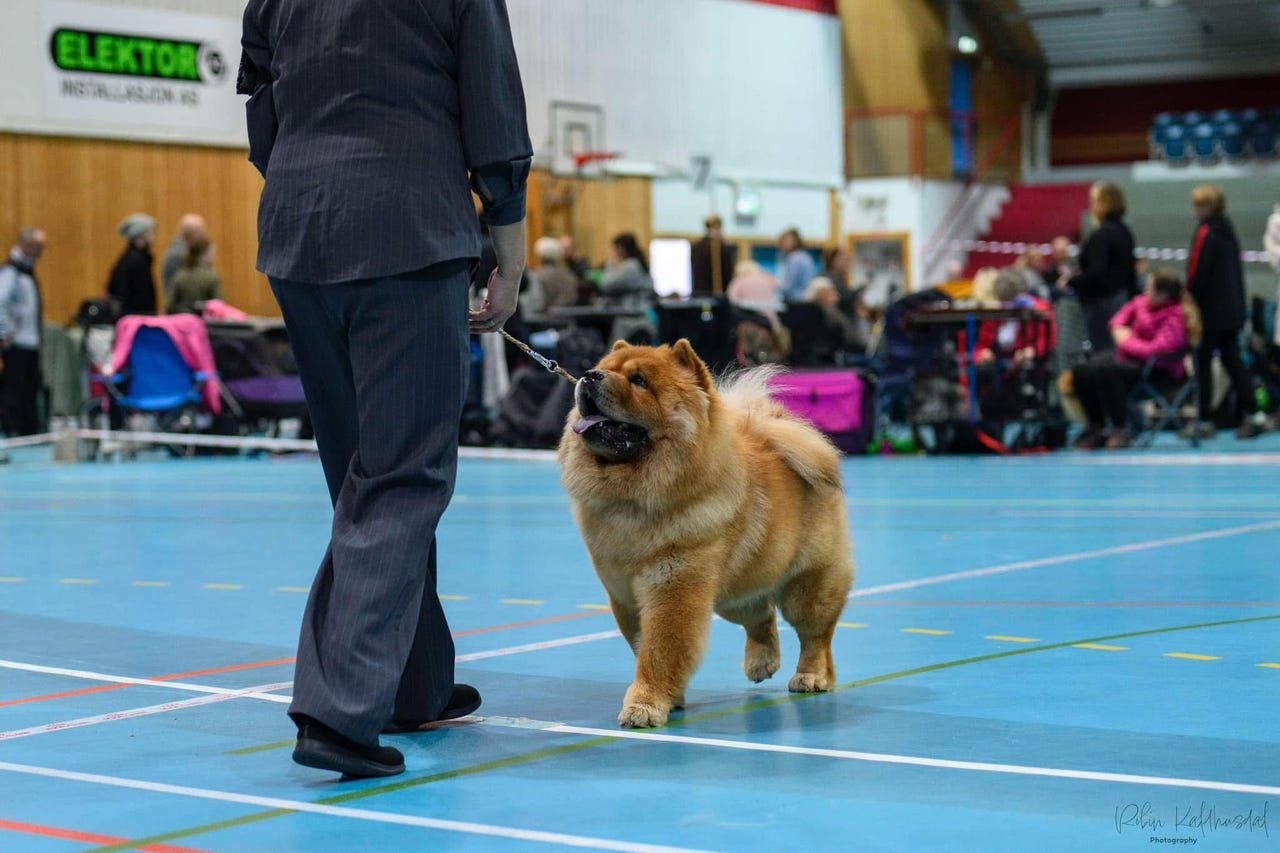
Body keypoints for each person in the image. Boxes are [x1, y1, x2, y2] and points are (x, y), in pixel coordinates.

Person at [239, 0, 532, 779]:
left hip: (298, 228)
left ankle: (413, 680)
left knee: (362, 472)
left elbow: (259, 100)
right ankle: (339, 709)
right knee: (403, 475)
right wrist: (509, 234)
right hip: (408, 222)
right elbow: (494, 106)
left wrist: (312, 175)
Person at [1180, 185, 1266, 439]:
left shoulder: (1206, 232)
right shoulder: (1227, 230)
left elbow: (1196, 273)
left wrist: (1189, 300)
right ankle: (1254, 413)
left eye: (1198, 205)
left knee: (1203, 365)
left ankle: (1204, 419)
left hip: (1209, 313)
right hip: (1231, 311)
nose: (1194, 210)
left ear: (1208, 206)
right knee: (1233, 362)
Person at [1072, 270, 1192, 450]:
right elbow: (1116, 322)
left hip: (1158, 370)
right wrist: (1125, 337)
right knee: (1083, 370)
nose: (1146, 291)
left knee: (1109, 370)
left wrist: (1127, 341)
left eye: (1150, 288)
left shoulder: (1176, 315)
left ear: (1163, 295)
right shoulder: (1140, 303)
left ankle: (1120, 429)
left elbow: (1158, 348)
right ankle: (1096, 425)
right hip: (1131, 360)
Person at [1067, 181, 1136, 351]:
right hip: (1121, 296)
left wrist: (1073, 281)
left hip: (1104, 301)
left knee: (1105, 351)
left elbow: (1098, 271)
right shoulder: (1123, 230)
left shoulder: (1103, 234)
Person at [0, 228, 47, 436]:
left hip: (31, 339)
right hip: (16, 340)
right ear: (26, 245)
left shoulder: (26, 269)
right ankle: (11, 428)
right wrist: (5, 333)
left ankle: (29, 428)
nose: (41, 251)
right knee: (13, 387)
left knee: (30, 387)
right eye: (38, 247)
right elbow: (1, 302)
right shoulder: (11, 271)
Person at [598, 232, 655, 343]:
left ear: (621, 249)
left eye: (613, 249)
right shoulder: (638, 264)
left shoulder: (631, 266)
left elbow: (606, 284)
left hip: (631, 322)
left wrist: (611, 264)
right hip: (639, 320)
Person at [107, 214, 159, 316]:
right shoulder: (136, 261)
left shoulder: (132, 257)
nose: (154, 236)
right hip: (137, 319)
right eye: (151, 232)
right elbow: (142, 296)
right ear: (141, 235)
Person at [161, 214, 208, 308]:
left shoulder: (183, 251)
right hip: (182, 311)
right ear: (192, 234)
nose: (204, 236)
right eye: (201, 232)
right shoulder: (179, 254)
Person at [167, 237, 223, 315]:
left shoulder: (179, 275)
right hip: (204, 324)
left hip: (181, 322)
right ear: (203, 254)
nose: (214, 257)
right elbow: (219, 306)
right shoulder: (212, 276)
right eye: (212, 253)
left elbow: (169, 305)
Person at [690, 214, 737, 297]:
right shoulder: (720, 248)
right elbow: (728, 273)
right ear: (718, 226)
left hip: (698, 293)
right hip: (716, 294)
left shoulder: (696, 247)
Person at [530, 236, 579, 313]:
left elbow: (536, 302)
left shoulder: (536, 275)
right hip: (569, 318)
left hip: (545, 319)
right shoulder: (569, 274)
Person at [777, 228, 817, 300]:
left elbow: (788, 287)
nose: (782, 245)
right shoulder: (805, 256)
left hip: (796, 301)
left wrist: (772, 282)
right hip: (806, 299)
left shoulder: (794, 259)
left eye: (784, 241)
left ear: (795, 241)